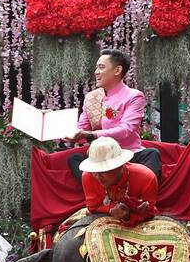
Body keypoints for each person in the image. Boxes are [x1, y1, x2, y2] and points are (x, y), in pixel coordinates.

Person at [65, 48, 163, 182]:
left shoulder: (134, 96)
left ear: (117, 70)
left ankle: (137, 196)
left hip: (128, 154)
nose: (96, 72)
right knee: (74, 159)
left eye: (101, 67)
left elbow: (127, 129)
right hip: (101, 157)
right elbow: (79, 131)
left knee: (152, 154)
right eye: (96, 68)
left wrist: (92, 135)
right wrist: (49, 121)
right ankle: (103, 194)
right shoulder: (91, 98)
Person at [79, 137, 158, 227]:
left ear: (120, 166)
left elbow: (150, 211)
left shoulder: (147, 178)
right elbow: (93, 207)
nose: (97, 176)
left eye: (103, 171)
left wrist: (131, 214)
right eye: (94, 171)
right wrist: (110, 209)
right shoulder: (88, 176)